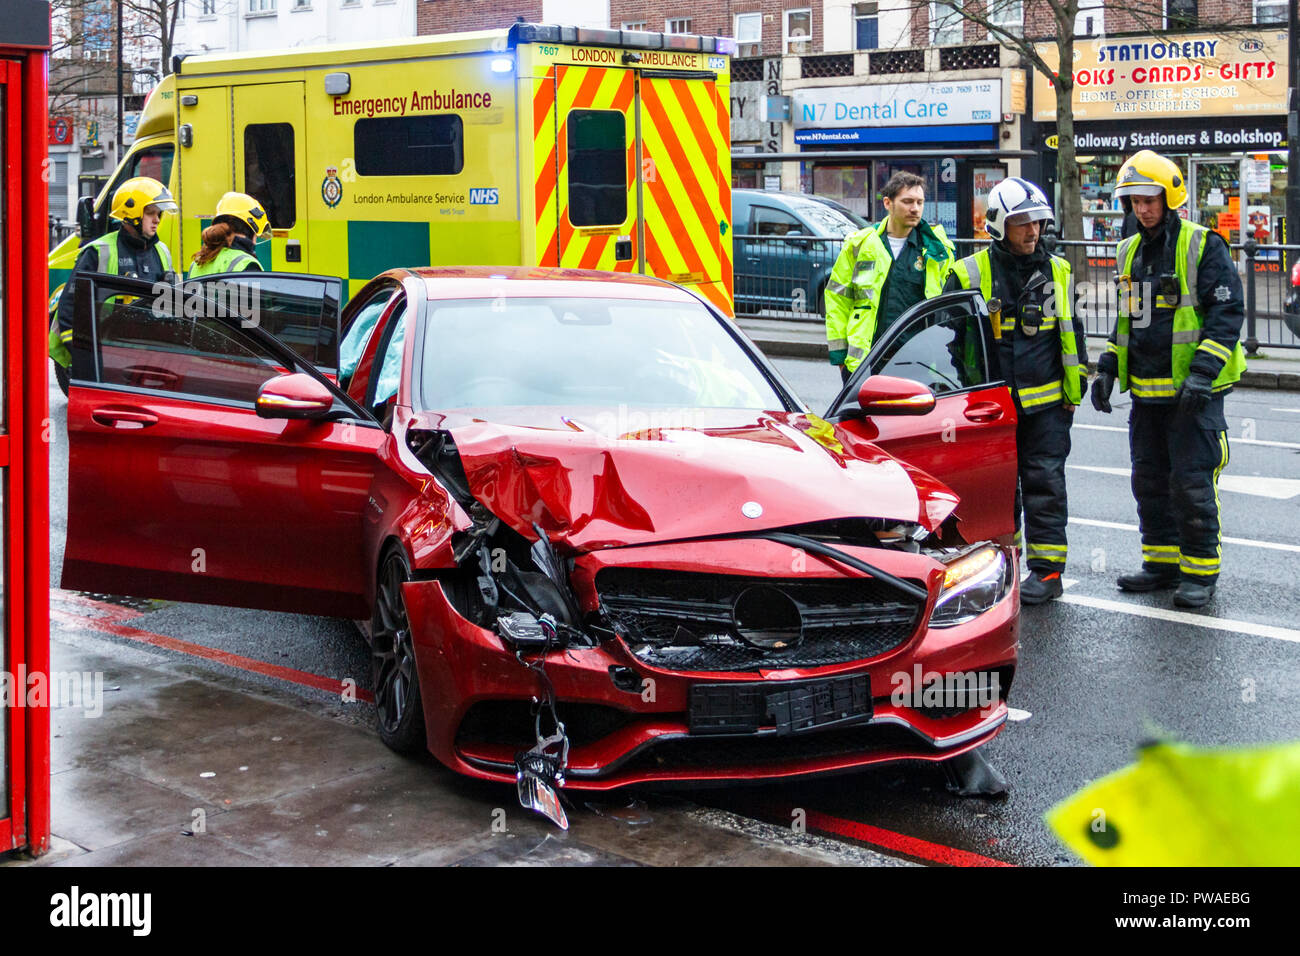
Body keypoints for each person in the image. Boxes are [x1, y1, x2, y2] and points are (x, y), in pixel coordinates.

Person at [1091, 150, 1246, 608]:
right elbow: (1129, 320)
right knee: (1150, 480)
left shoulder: (1202, 244)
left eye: (1150, 199)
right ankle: (1161, 564)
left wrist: (1202, 374)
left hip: (1193, 396)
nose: (1142, 208)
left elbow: (1226, 314)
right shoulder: (1129, 250)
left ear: (1169, 196)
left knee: (1191, 482)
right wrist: (1107, 368)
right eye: (1134, 200)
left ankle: (1200, 573)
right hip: (1148, 395)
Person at [946, 177, 1087, 604]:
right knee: (997, 491)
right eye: (1022, 222)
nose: (1032, 231)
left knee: (1045, 485)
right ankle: (1002, 567)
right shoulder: (969, 272)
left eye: (1038, 223)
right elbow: (948, 341)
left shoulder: (1057, 269)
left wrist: (1073, 393)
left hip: (1046, 406)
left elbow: (1072, 333)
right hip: (991, 408)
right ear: (999, 226)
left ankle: (1047, 574)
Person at [824, 171, 955, 383]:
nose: (915, 208)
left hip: (919, 363)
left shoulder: (937, 250)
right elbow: (837, 301)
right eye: (907, 201)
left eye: (920, 202)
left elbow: (950, 305)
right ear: (888, 203)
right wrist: (840, 359)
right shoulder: (860, 245)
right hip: (867, 362)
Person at [51, 177, 177, 370]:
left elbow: (173, 306)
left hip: (149, 358)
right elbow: (70, 309)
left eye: (158, 213)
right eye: (151, 213)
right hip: (107, 358)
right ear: (131, 214)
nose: (157, 219)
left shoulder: (162, 252)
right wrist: (85, 356)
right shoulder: (99, 252)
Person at [188, 192, 270, 277]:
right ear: (250, 230)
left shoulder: (197, 263)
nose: (255, 239)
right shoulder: (247, 264)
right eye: (256, 235)